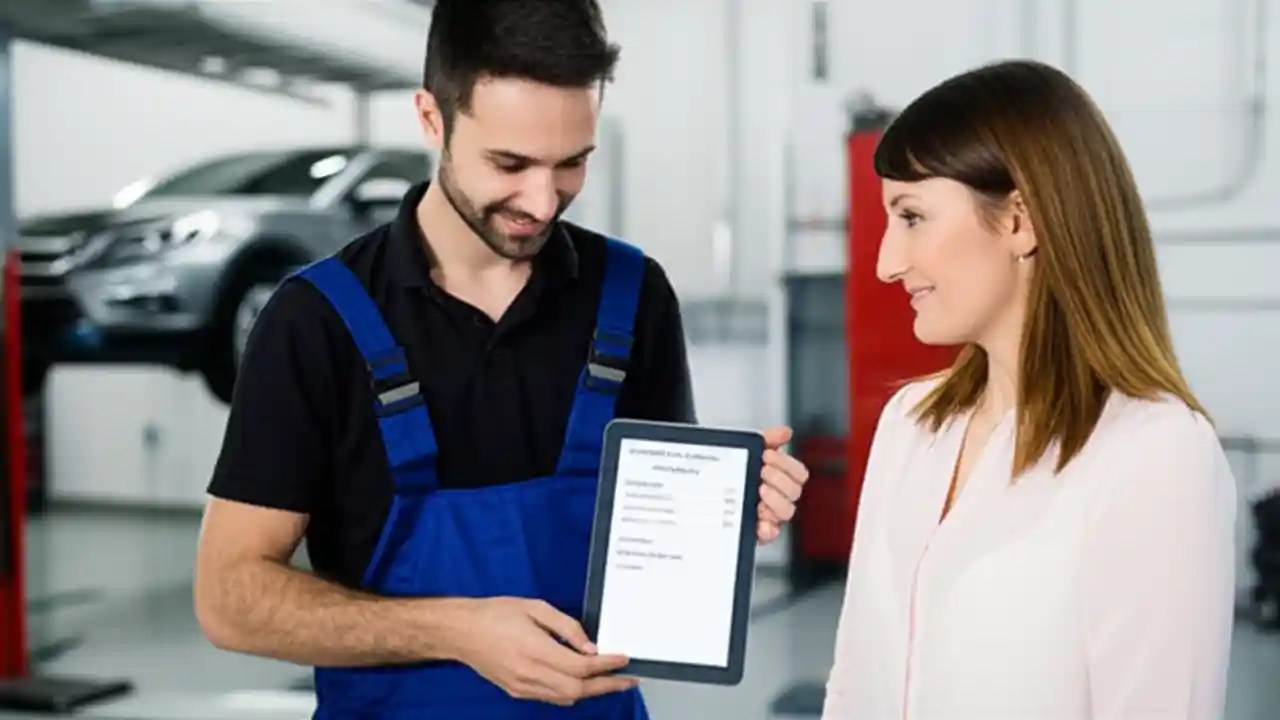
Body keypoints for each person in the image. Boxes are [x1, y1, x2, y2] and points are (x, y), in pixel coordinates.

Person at [192, 1, 810, 717]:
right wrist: (457, 631)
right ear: (432, 119)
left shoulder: (634, 295)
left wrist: (725, 510)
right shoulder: (315, 321)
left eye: (572, 162)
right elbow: (230, 597)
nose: (544, 203)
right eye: (510, 163)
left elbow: (651, 552)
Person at [821, 59, 1237, 720]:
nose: (887, 262)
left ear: (1020, 219)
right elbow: (852, 687)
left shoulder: (1155, 453)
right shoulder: (911, 423)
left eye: (913, 217)